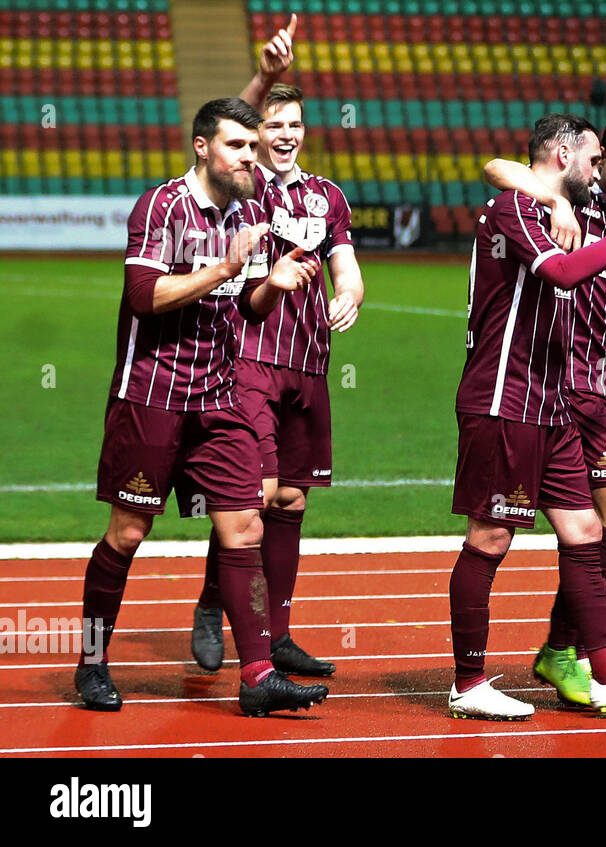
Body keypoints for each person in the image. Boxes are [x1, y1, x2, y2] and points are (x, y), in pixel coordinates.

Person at [76, 96, 328, 717]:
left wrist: (274, 282)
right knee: (128, 532)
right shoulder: (163, 207)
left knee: (245, 525)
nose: (251, 156)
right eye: (237, 146)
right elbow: (142, 296)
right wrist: (225, 267)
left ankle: (259, 674)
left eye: (252, 145)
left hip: (220, 396)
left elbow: (244, 310)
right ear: (202, 147)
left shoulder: (250, 210)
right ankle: (91, 662)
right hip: (152, 397)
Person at [448, 114, 606, 719]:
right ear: (570, 155)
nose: (603, 168)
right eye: (598, 156)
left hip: (560, 396)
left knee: (587, 531)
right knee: (493, 534)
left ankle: (601, 669)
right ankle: (468, 683)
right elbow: (561, 268)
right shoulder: (520, 208)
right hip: (508, 395)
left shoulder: (557, 203)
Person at [187, 17, 364, 679]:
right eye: (274, 124)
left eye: (295, 125)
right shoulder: (245, 185)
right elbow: (232, 119)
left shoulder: (329, 196)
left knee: (291, 499)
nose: (285, 134)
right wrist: (261, 78)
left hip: (308, 362)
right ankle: (213, 601)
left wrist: (351, 291)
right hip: (249, 358)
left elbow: (346, 263)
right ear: (257, 135)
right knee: (252, 496)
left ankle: (280, 632)